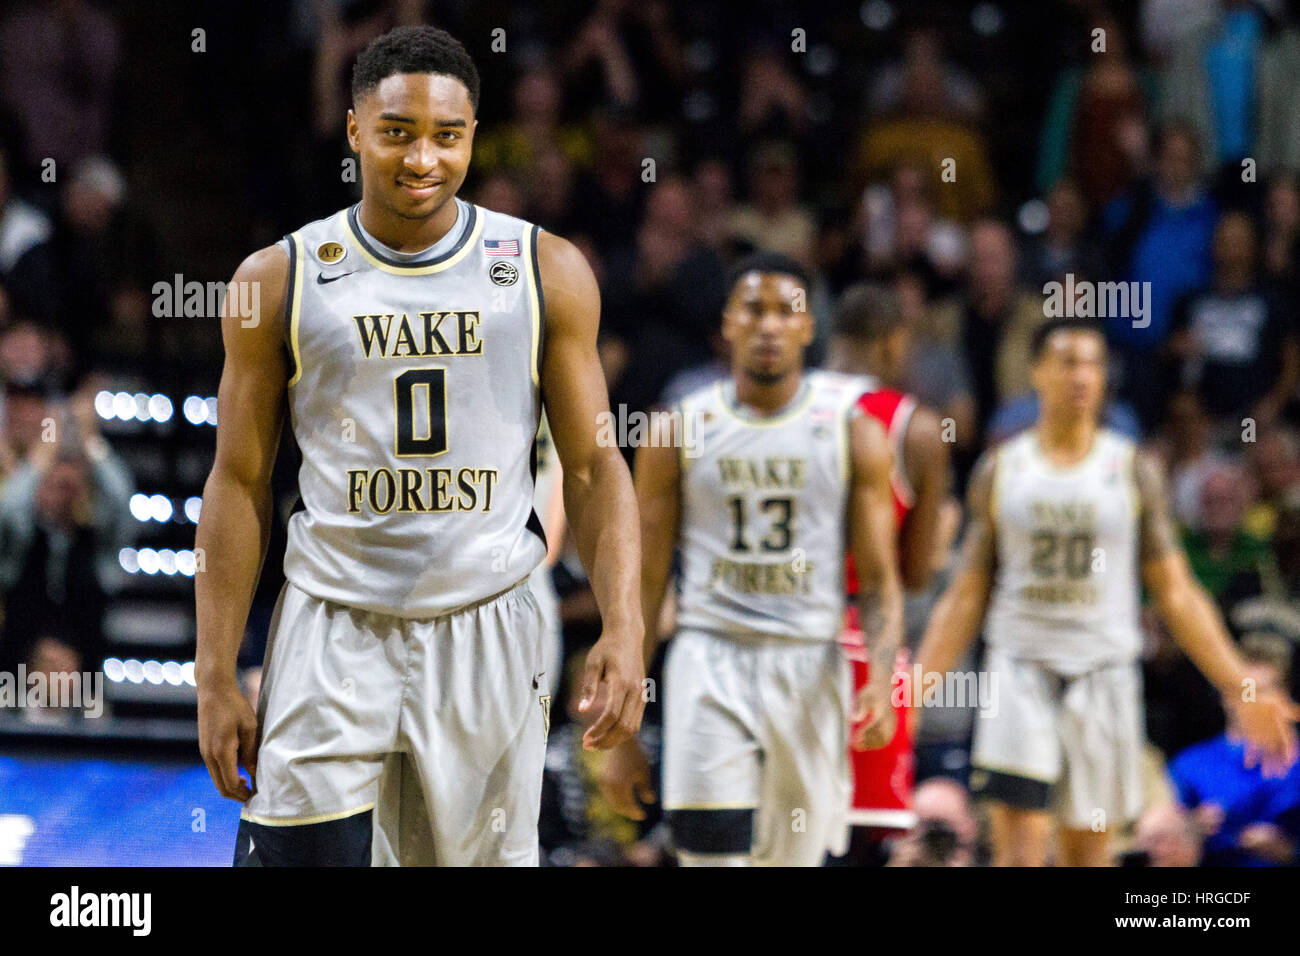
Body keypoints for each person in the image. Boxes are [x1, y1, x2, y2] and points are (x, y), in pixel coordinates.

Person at [195, 26, 645, 867]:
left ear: (474, 136)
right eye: (398, 131)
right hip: (333, 626)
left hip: (487, 628)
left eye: (448, 135)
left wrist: (625, 624)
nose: (422, 157)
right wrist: (215, 672)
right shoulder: (279, 277)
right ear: (356, 128)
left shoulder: (544, 268)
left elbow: (592, 465)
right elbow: (238, 480)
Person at [915, 316, 1299, 867]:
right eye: (1068, 361)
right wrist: (920, 684)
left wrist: (1240, 684)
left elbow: (1176, 591)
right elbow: (967, 592)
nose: (1081, 375)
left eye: (1093, 364)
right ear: (1037, 373)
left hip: (1103, 673)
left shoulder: (1131, 469)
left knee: (1086, 852)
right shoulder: (1002, 467)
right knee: (1019, 849)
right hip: (1020, 668)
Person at [601, 252, 905, 866]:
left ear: (808, 327)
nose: (769, 325)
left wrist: (878, 673)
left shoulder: (851, 430)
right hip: (710, 656)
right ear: (727, 324)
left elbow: (878, 582)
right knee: (708, 854)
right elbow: (646, 581)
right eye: (753, 309)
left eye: (785, 311)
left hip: (809, 663)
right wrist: (622, 726)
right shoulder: (675, 429)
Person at [826, 282, 952, 856]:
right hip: (864, 643)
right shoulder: (915, 429)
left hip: (774, 631)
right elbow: (919, 575)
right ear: (896, 342)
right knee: (865, 843)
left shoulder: (782, 404)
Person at [1169, 632, 1300, 866]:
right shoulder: (1190, 765)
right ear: (1225, 694)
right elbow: (1157, 846)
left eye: (1268, 691)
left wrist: (1290, 852)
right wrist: (1191, 830)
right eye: (1249, 692)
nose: (1259, 703)